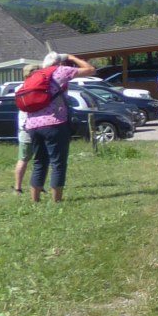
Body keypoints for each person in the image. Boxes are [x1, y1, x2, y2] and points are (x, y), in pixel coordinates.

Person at [22, 50, 96, 204]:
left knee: (39, 162)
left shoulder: (36, 75)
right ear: (59, 63)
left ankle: (35, 200)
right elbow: (90, 69)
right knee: (58, 162)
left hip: (33, 125)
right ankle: (57, 201)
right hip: (54, 123)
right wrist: (72, 57)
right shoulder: (60, 71)